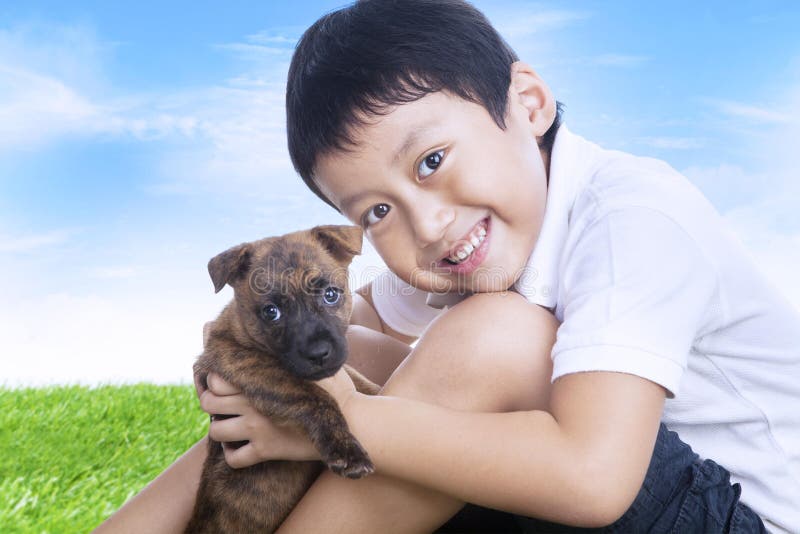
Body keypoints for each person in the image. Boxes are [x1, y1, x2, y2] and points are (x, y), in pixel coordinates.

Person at [96, 1, 800, 532]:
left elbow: (594, 479)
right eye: (378, 211)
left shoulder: (634, 217)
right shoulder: (462, 249)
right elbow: (355, 333)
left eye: (431, 161)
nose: (427, 224)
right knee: (322, 352)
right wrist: (261, 371)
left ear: (528, 105)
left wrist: (332, 422)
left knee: (495, 340)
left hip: (739, 516)